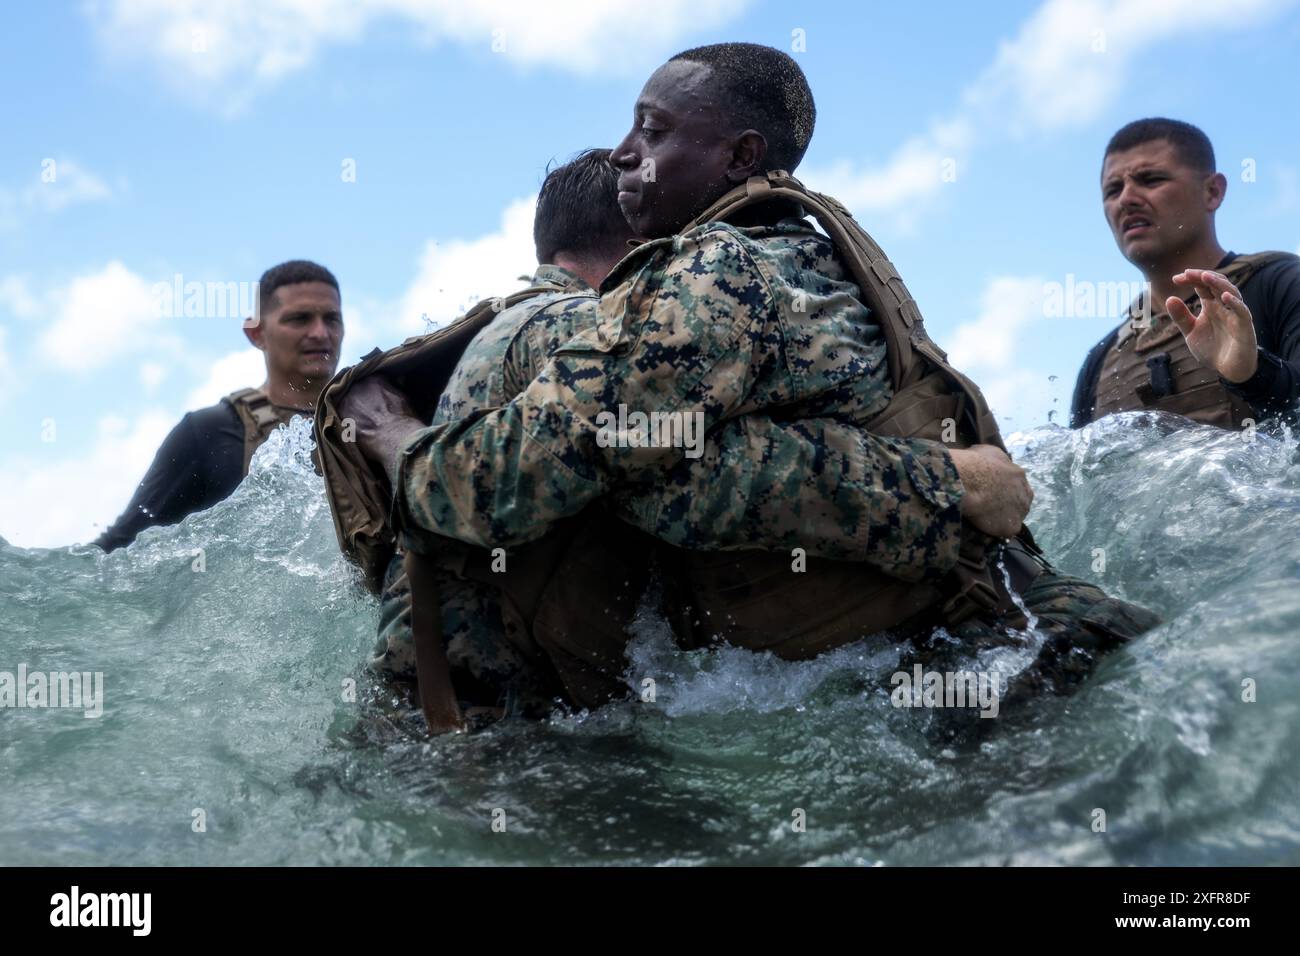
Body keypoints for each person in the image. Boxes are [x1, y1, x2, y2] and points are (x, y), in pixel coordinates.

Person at [349, 44, 1158, 727]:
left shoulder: (718, 269)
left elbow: (529, 480)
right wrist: (956, 482)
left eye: (653, 129)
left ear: (739, 156)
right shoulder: (818, 253)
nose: (624, 151)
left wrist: (400, 446)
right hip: (1027, 637)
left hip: (991, 667)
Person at [95, 260, 344, 551]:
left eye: (332, 319)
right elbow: (119, 550)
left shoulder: (369, 426)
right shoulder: (207, 431)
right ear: (257, 333)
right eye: (299, 319)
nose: (320, 333)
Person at [1071, 118, 1300, 429]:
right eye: (1113, 190)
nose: (1126, 199)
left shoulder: (1282, 286)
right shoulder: (1102, 359)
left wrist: (1253, 374)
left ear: (1212, 192)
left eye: (1151, 179)